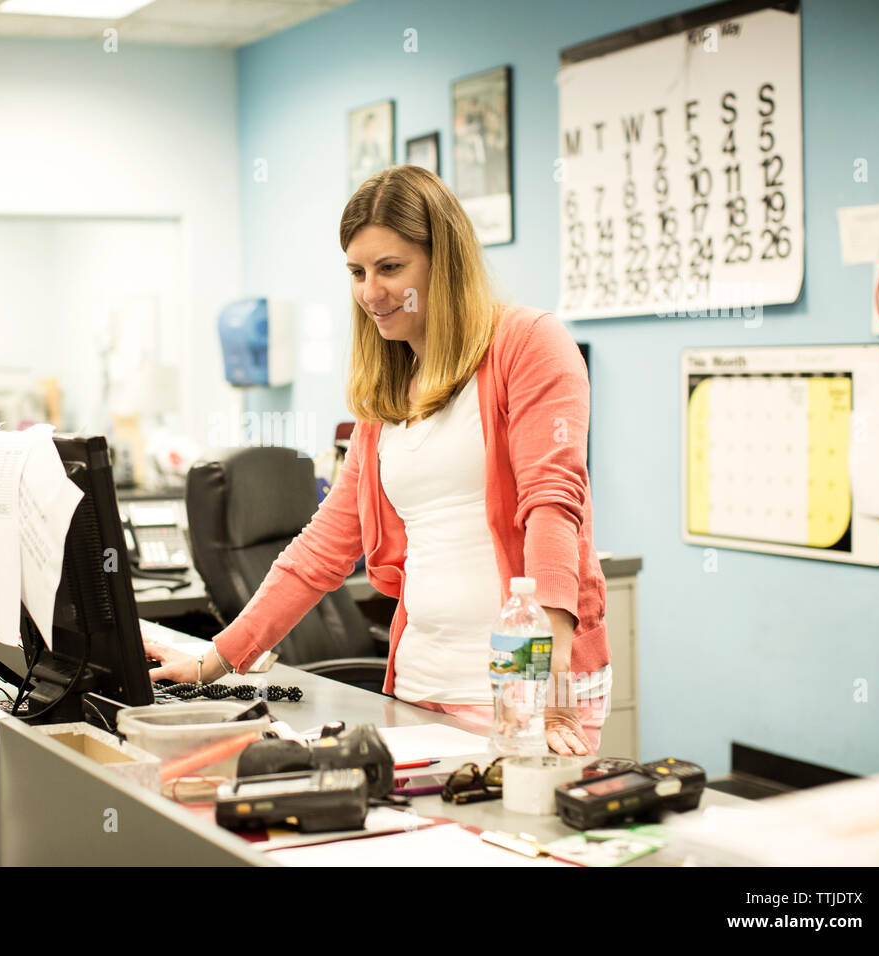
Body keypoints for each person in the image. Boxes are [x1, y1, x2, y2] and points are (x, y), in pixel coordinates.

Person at [145, 165, 610, 756]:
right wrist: (215, 660)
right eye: (357, 272)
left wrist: (552, 677)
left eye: (390, 268)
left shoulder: (529, 344)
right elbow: (323, 547)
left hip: (526, 690)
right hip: (419, 684)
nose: (370, 291)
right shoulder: (389, 390)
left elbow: (553, 503)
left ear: (445, 262)